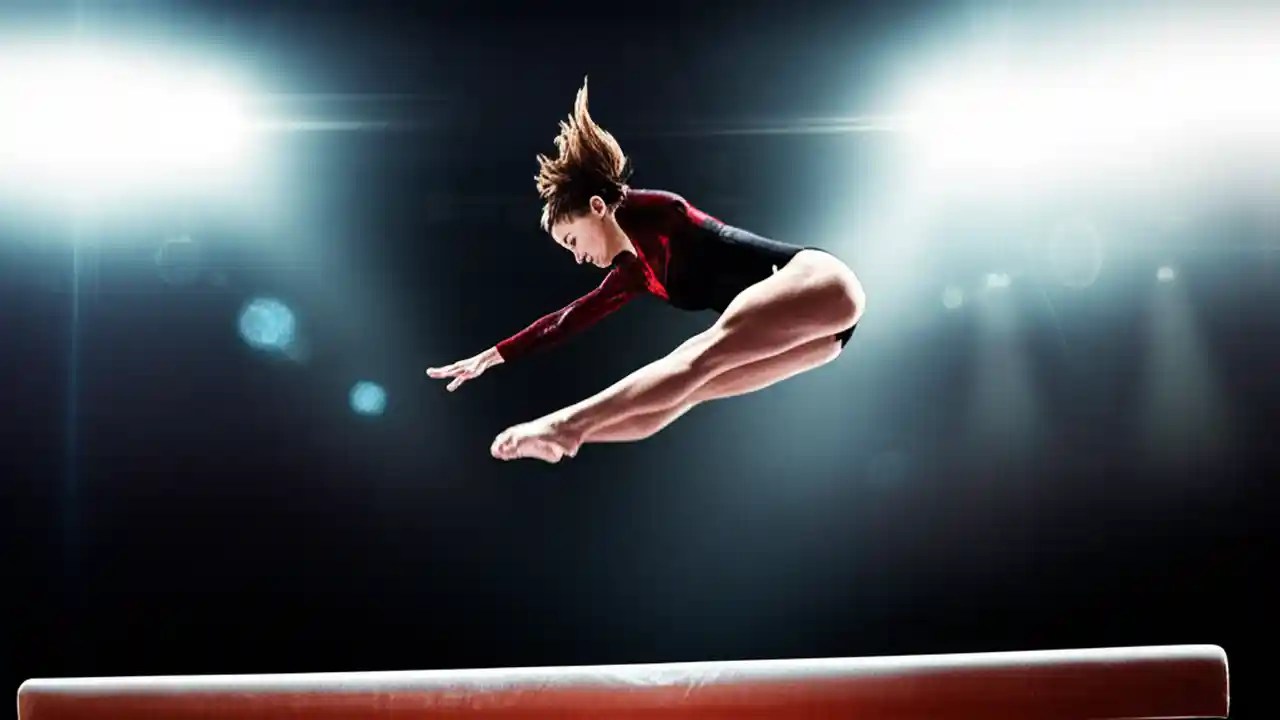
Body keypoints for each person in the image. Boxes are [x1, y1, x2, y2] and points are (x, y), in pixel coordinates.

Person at [427, 78, 866, 463]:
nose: (576, 257)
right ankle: (574, 435)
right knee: (687, 393)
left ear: (597, 208)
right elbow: (567, 319)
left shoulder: (656, 212)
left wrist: (590, 182)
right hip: (821, 341)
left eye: (573, 241)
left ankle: (562, 423)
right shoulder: (632, 276)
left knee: (695, 358)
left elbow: (614, 191)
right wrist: (495, 355)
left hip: (819, 282)